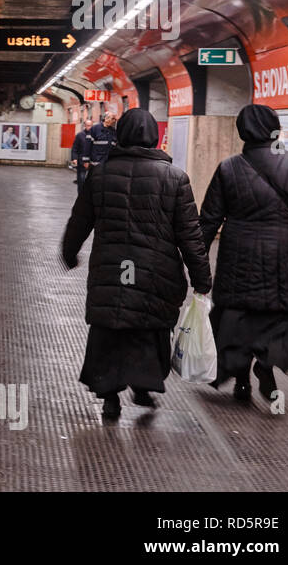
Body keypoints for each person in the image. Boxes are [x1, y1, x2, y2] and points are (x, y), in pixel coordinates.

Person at [62, 108, 212, 420]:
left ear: (120, 136)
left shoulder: (101, 175)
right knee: (150, 328)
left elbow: (81, 219)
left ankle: (110, 397)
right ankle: (143, 385)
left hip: (112, 268)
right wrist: (201, 277)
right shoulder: (175, 179)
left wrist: (70, 250)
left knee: (110, 329)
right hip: (157, 272)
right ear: (155, 138)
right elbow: (190, 234)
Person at [198, 104, 288, 407]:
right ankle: (266, 365)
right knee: (281, 317)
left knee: (237, 319)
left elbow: (208, 220)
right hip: (286, 255)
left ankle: (241, 379)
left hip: (237, 255)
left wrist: (196, 261)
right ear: (276, 128)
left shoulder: (228, 168)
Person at [70, 118, 93, 188]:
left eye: (91, 125)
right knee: (81, 180)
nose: (89, 127)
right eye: (88, 125)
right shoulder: (80, 135)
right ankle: (80, 195)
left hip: (92, 162)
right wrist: (74, 158)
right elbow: (75, 148)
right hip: (81, 162)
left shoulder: (95, 135)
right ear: (85, 126)